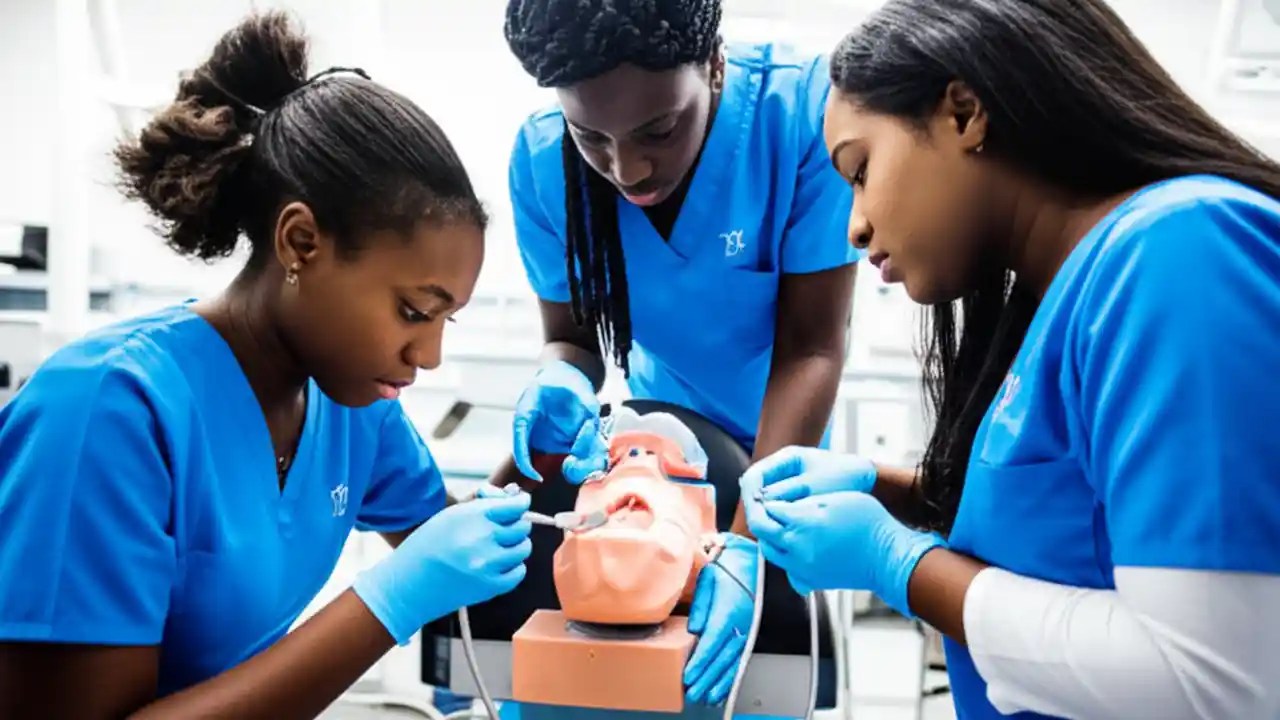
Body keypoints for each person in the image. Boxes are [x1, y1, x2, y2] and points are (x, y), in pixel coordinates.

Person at [740, 0, 1280, 718]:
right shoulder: (1062, 299)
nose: (856, 223)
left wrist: (898, 565)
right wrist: (888, 489)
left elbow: (1215, 680)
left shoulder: (1180, 252)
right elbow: (1069, 523)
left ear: (964, 113)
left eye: (861, 169)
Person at [0, 12, 533, 719]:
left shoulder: (354, 406)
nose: (427, 356)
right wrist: (387, 602)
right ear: (301, 241)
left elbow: (454, 547)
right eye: (412, 311)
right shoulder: (107, 411)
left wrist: (549, 462)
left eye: (445, 321)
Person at [483, 1, 860, 714]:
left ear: (714, 63)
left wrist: (746, 545)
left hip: (787, 446)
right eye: (590, 136)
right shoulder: (542, 164)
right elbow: (572, 339)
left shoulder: (799, 113)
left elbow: (811, 345)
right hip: (663, 445)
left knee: (760, 677)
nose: (627, 169)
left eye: (659, 128)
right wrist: (560, 373)